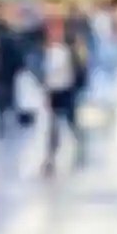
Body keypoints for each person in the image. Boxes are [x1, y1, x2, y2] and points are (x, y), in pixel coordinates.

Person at [38, 16, 89, 176]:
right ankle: (51, 156)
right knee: (53, 126)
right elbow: (42, 72)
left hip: (68, 90)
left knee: (71, 121)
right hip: (53, 91)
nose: (54, 34)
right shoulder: (44, 51)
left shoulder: (70, 49)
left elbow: (80, 69)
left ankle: (80, 149)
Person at [0, 1, 29, 132]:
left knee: (4, 92)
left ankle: (3, 113)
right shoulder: (4, 30)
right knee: (7, 91)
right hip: (5, 68)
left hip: (2, 68)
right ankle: (5, 112)